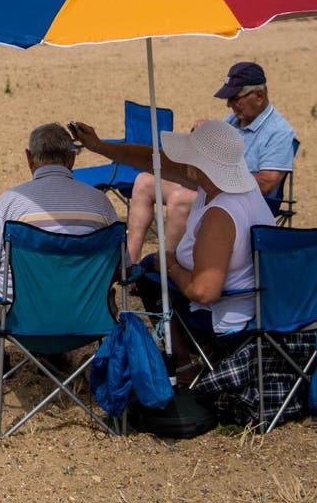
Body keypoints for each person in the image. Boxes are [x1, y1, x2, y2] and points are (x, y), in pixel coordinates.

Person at [70, 117, 275, 376]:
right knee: (151, 267)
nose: (182, 160)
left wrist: (170, 265)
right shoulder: (239, 188)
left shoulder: (220, 215)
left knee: (148, 274)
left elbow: (204, 292)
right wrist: (99, 146)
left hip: (228, 319)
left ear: (201, 165)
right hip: (259, 305)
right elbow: (151, 160)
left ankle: (184, 362)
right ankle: (203, 354)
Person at [0, 123, 119, 373]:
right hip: (89, 320)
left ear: (29, 158)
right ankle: (54, 353)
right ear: (72, 160)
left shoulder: (12, 201)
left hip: (21, 321)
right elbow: (123, 269)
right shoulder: (100, 203)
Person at [123, 61, 296, 263]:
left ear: (259, 96)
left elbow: (267, 183)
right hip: (211, 187)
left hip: (242, 200)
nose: (229, 105)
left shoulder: (279, 132)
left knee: (179, 198)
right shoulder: (235, 119)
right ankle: (130, 264)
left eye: (234, 98)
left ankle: (167, 267)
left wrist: (220, 176)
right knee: (145, 181)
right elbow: (210, 153)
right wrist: (203, 134)